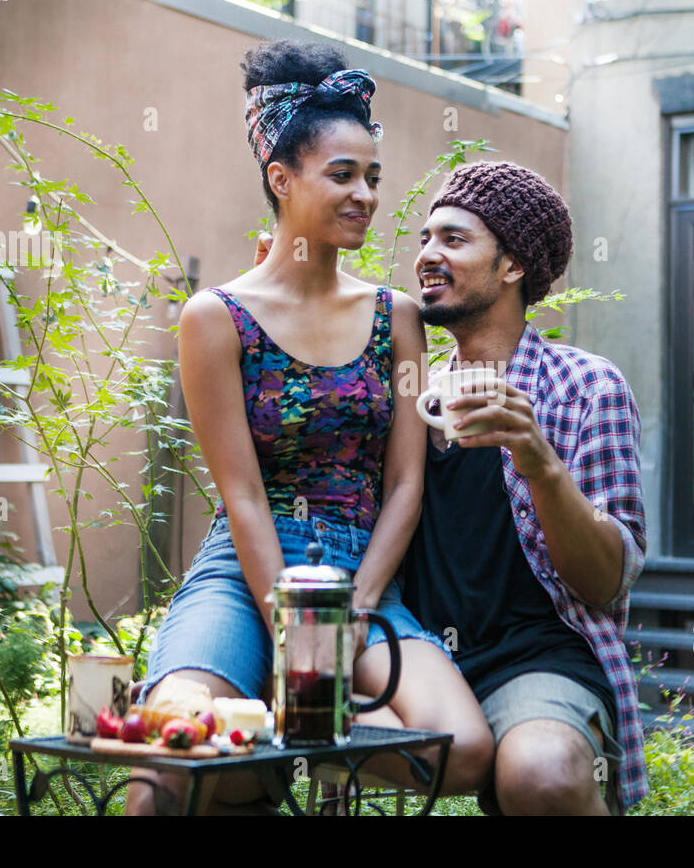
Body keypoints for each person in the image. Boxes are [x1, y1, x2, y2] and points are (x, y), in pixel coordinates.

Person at [126, 40, 492, 815]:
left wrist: (348, 617)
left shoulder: (395, 317)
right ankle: (275, 751)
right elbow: (245, 498)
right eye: (342, 175)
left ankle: (297, 750)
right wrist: (294, 638)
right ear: (281, 180)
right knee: (161, 770)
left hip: (360, 578)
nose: (365, 194)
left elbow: (404, 485)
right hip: (245, 573)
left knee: (462, 751)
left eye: (372, 178)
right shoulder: (214, 320)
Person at [397, 160, 649, 814]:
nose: (427, 255)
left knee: (542, 773)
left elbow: (606, 580)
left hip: (538, 659)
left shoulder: (587, 387)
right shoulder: (405, 393)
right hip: (416, 659)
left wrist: (538, 460)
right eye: (424, 238)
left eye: (453, 239)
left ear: (512, 266)